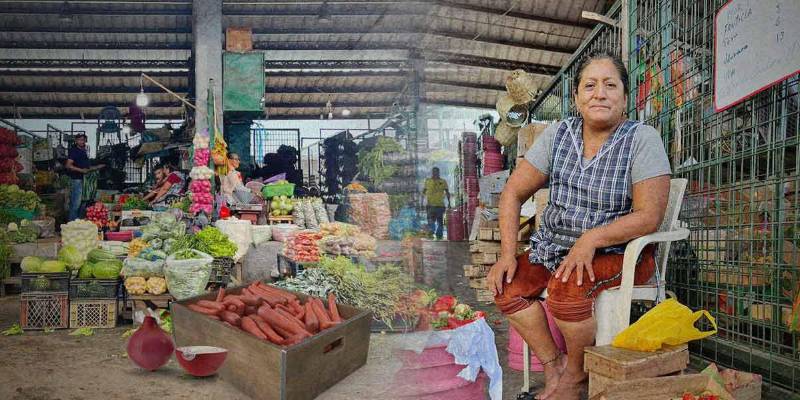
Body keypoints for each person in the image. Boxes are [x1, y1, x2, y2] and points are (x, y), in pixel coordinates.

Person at [487, 51, 671, 400]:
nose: (599, 93)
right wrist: (507, 254)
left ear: (625, 97)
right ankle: (553, 363)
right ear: (576, 97)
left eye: (610, 85)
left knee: (565, 290)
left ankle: (575, 376)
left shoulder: (642, 139)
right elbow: (512, 192)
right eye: (590, 85)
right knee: (505, 287)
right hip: (555, 247)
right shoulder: (559, 135)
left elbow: (649, 216)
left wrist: (591, 239)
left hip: (620, 251)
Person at [65, 134, 104, 221]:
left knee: (83, 202)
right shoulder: (74, 151)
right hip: (76, 179)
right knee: (76, 203)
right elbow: (68, 165)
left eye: (83, 140)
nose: (82, 141)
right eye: (80, 140)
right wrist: (81, 170)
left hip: (84, 180)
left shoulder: (83, 151)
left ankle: (79, 221)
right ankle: (72, 224)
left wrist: (97, 167)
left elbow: (86, 167)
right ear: (76, 141)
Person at [422, 167, 450, 239]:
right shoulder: (427, 181)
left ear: (438, 172)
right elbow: (423, 192)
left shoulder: (443, 181)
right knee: (430, 220)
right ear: (432, 172)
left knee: (440, 221)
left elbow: (447, 192)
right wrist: (422, 203)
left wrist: (449, 203)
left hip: (440, 205)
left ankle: (439, 235)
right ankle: (431, 232)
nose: (435, 173)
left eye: (436, 172)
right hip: (430, 205)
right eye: (434, 172)